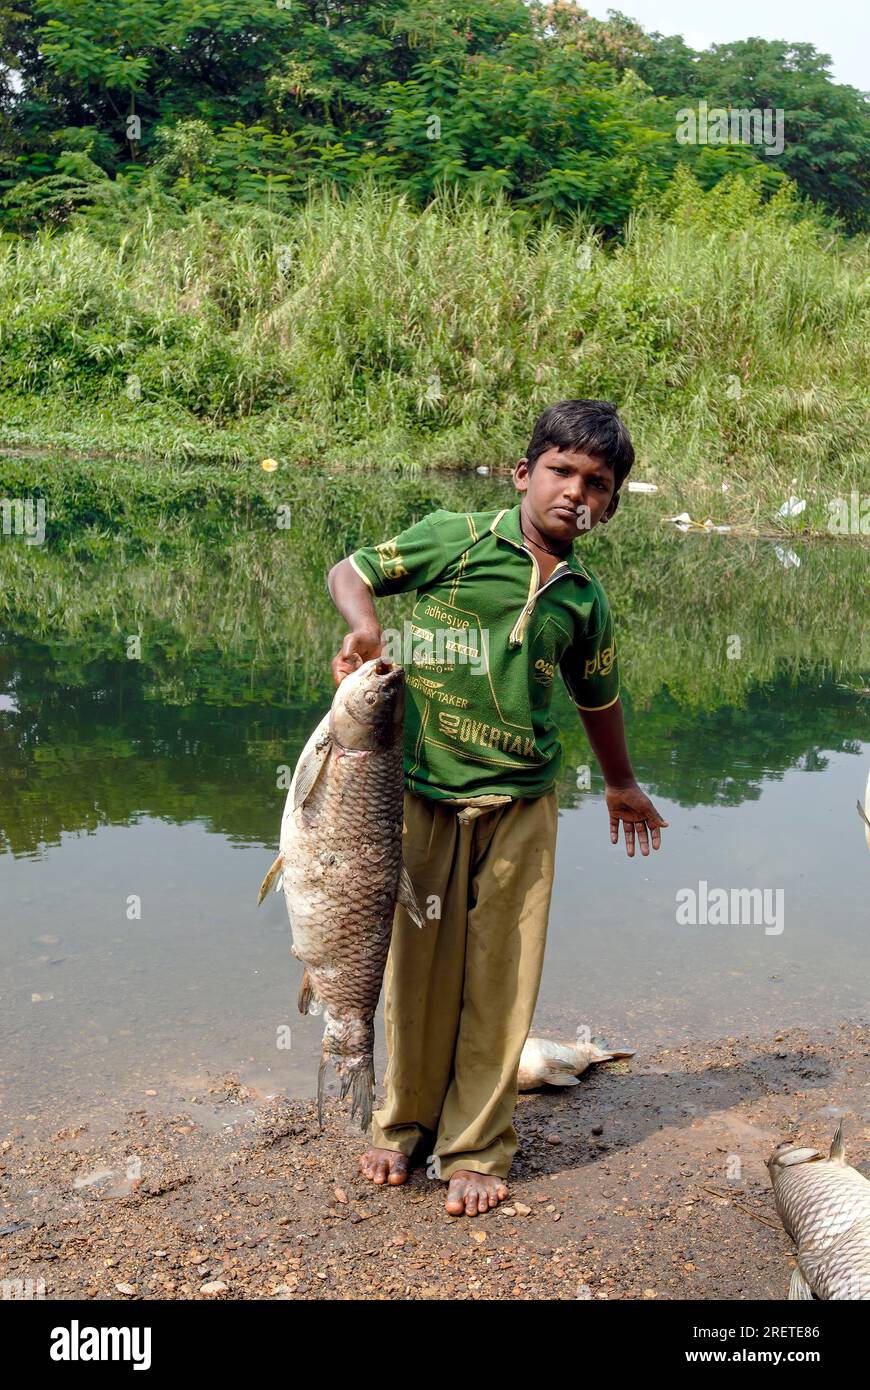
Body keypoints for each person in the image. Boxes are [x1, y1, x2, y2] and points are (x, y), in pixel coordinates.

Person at [326, 399, 668, 1217]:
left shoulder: (585, 600)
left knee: (501, 978)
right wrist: (366, 624)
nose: (575, 493)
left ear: (611, 505)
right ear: (523, 473)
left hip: (521, 803)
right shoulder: (457, 537)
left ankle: (476, 1144)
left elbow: (599, 698)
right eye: (561, 471)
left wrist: (619, 781)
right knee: (414, 970)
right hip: (419, 793)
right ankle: (401, 1124)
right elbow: (352, 571)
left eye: (597, 485)